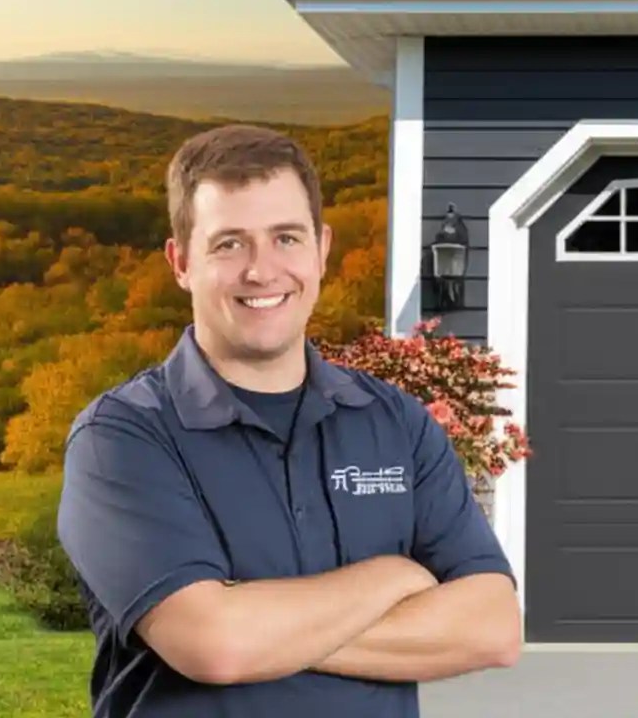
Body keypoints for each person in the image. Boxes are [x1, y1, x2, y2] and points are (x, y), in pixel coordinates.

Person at [56, 124, 522, 717]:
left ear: (321, 249)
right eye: (229, 244)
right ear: (181, 262)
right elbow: (214, 645)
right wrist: (392, 576)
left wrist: (262, 627)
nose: (262, 270)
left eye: (286, 238)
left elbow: (492, 626)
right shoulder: (122, 438)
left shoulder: (395, 423)